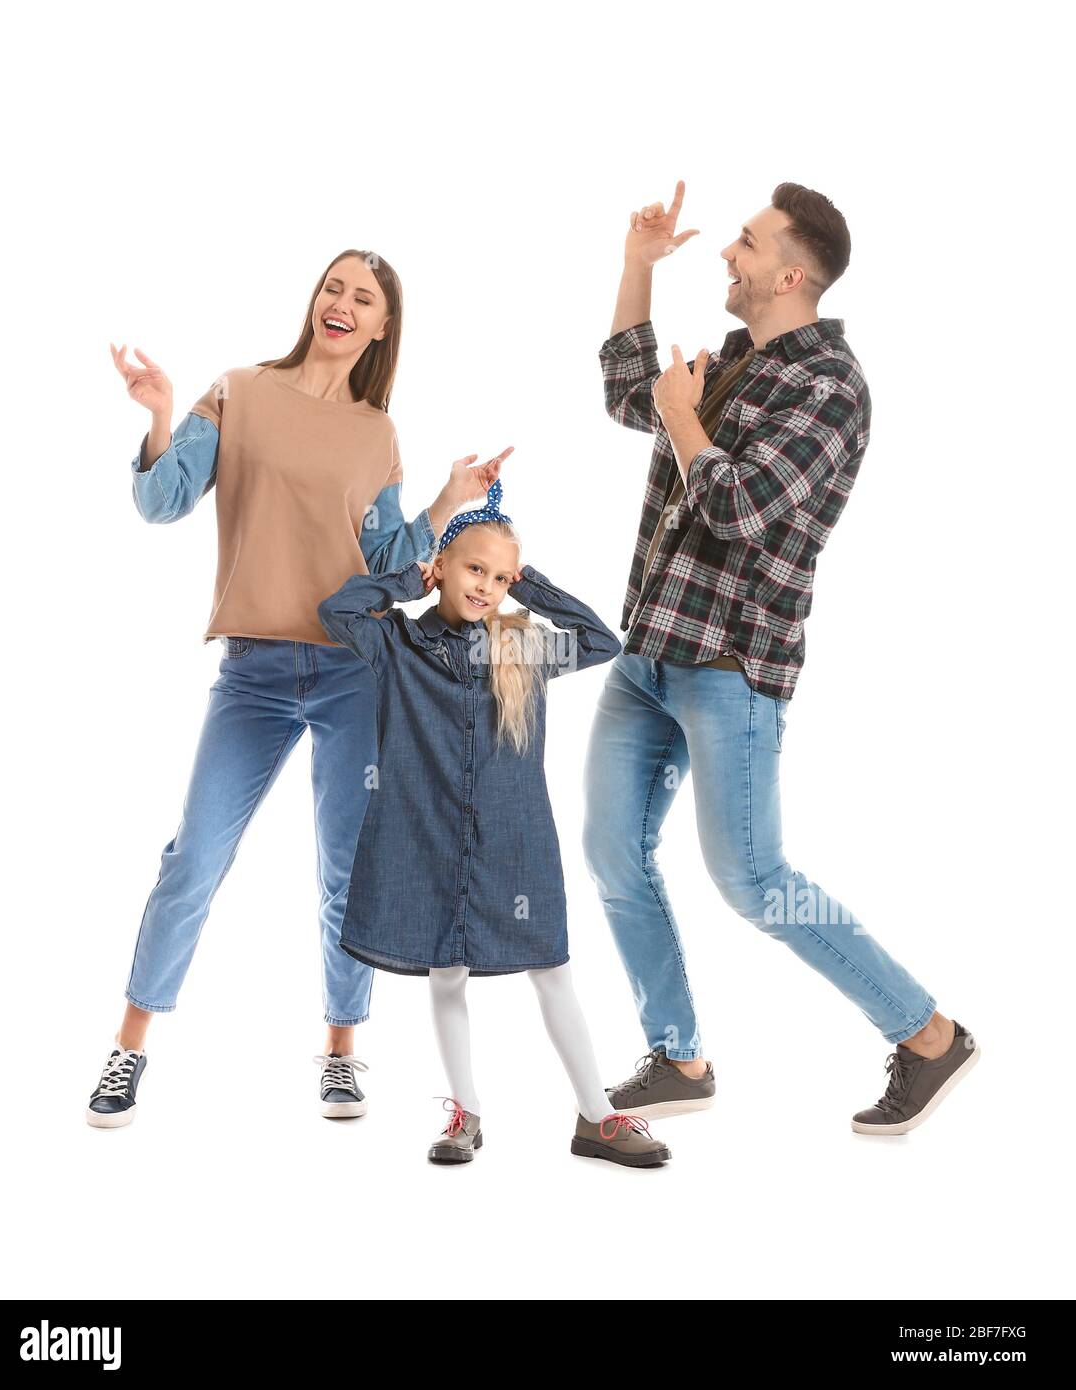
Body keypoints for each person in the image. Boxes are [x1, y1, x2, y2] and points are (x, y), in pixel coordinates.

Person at [584, 181, 979, 1136]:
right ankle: (679, 1056)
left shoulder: (830, 388)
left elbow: (739, 508)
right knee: (610, 852)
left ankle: (929, 1036)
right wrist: (637, 267)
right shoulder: (732, 361)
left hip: (731, 668)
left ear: (791, 273)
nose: (728, 253)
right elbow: (628, 393)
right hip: (649, 653)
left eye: (748, 244)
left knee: (753, 880)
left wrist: (685, 418)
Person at [87, 248, 509, 1128]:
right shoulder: (239, 391)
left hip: (356, 673)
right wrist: (163, 414)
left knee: (346, 869)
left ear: (383, 325)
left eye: (363, 297)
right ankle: (128, 1049)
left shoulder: (375, 434)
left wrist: (445, 501)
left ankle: (341, 1052)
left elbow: (390, 568)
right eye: (333, 288)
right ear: (314, 301)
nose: (342, 303)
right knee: (193, 859)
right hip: (254, 672)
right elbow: (163, 501)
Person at [316, 478, 672, 1166]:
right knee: (446, 974)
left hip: (515, 842)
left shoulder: (521, 650)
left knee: (553, 970)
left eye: (500, 577)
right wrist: (401, 582)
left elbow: (601, 639)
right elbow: (338, 610)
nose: (487, 586)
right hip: (424, 838)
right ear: (441, 565)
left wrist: (527, 582)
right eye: (475, 568)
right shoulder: (396, 644)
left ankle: (597, 1117)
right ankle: (464, 1113)